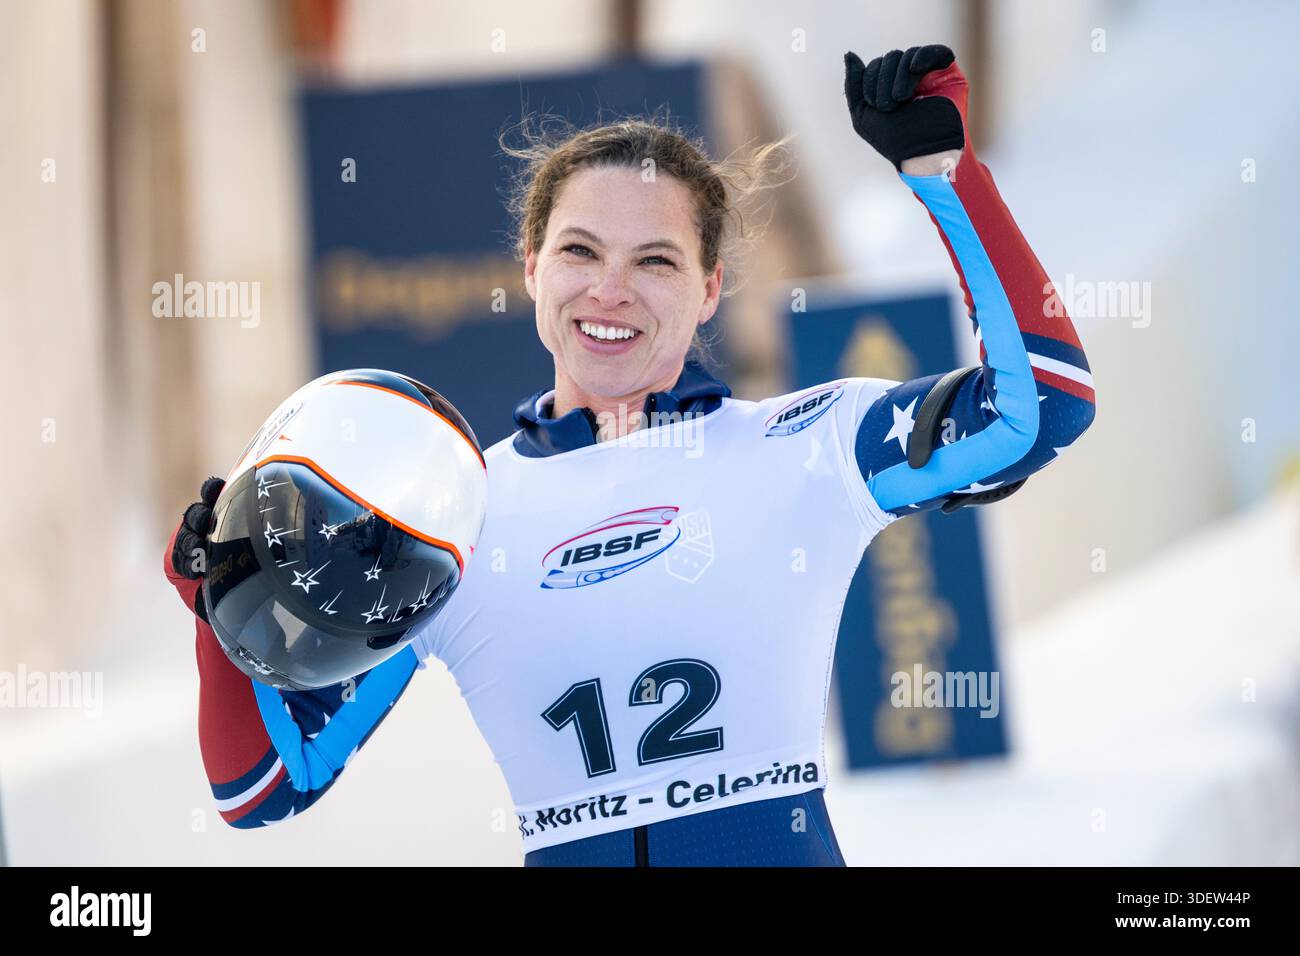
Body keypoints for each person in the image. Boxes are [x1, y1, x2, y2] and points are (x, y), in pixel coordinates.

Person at [165, 46, 1095, 866]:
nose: (611, 290)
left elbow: (1042, 407)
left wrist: (946, 175)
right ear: (530, 266)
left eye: (655, 260)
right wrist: (218, 602)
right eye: (580, 250)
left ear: (709, 290)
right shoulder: (453, 514)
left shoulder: (805, 447)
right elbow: (263, 790)